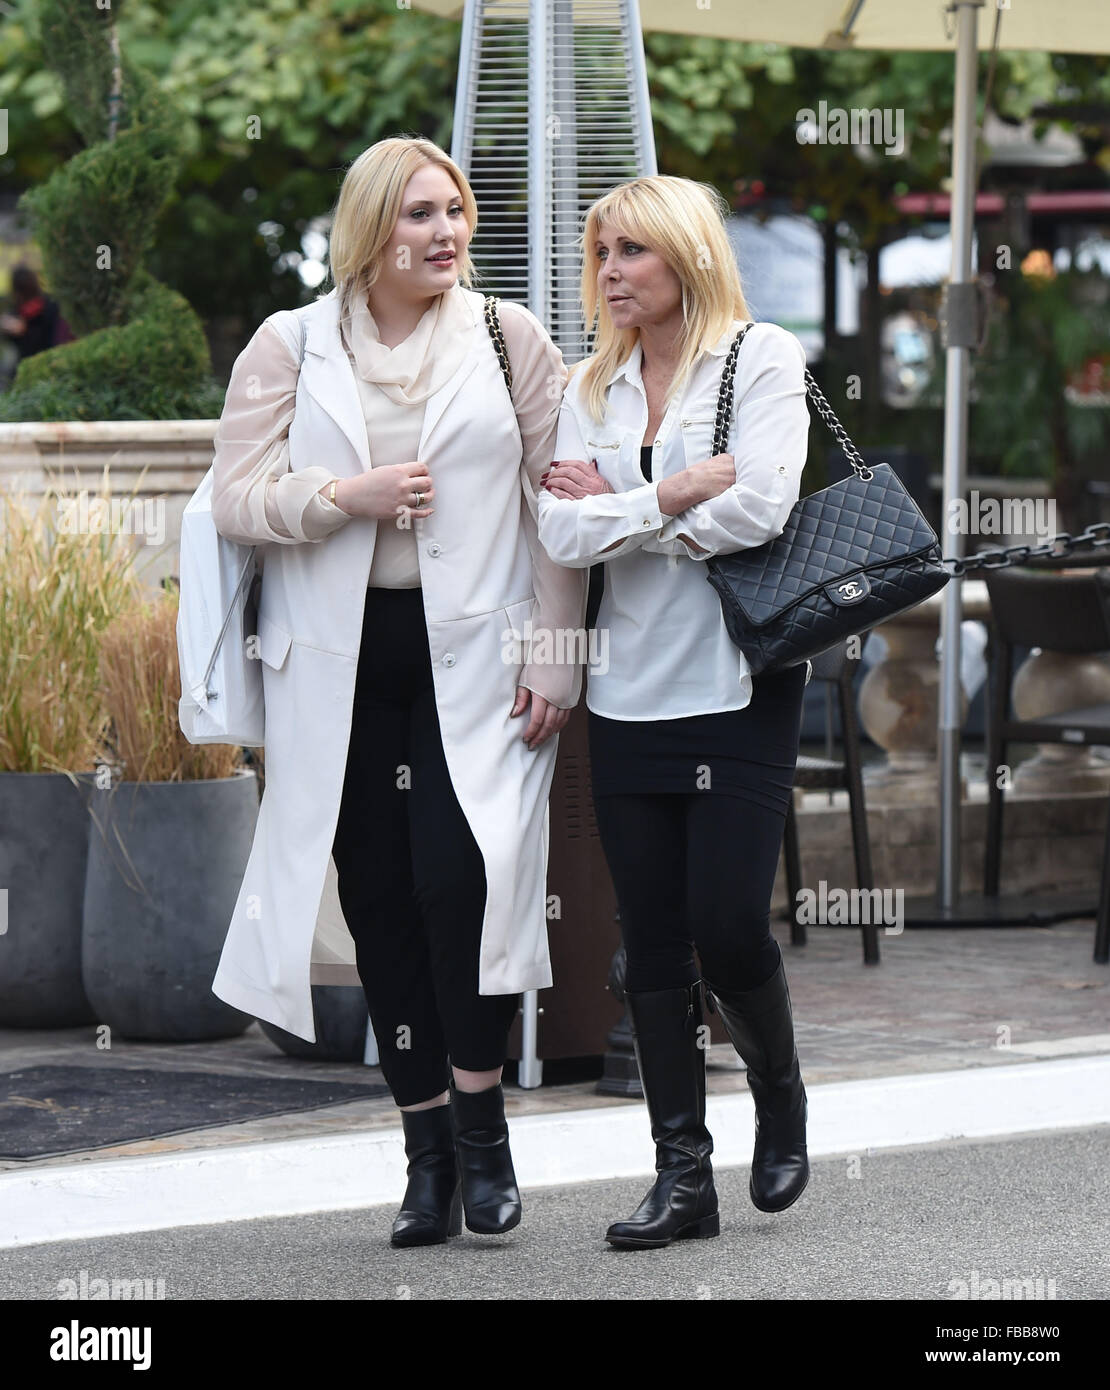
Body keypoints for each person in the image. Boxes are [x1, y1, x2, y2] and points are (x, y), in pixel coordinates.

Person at [209, 136, 587, 1246]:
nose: (446, 233)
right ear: (373, 229)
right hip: (338, 659)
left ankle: (483, 1128)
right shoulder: (290, 344)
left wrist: (558, 644)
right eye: (422, 214)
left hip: (476, 651)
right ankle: (425, 1150)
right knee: (374, 896)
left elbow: (555, 501)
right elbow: (234, 498)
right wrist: (340, 495)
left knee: (461, 878)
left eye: (456, 212)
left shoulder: (508, 335)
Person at [537, 175, 813, 1249]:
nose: (609, 274)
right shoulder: (589, 386)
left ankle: (780, 1092)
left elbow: (764, 501)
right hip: (629, 685)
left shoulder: (762, 356)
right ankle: (682, 1175)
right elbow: (557, 539)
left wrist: (617, 512)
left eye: (632, 253)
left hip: (737, 679)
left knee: (729, 922)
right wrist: (670, 496)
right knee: (649, 938)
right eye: (601, 253)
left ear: (687, 257)